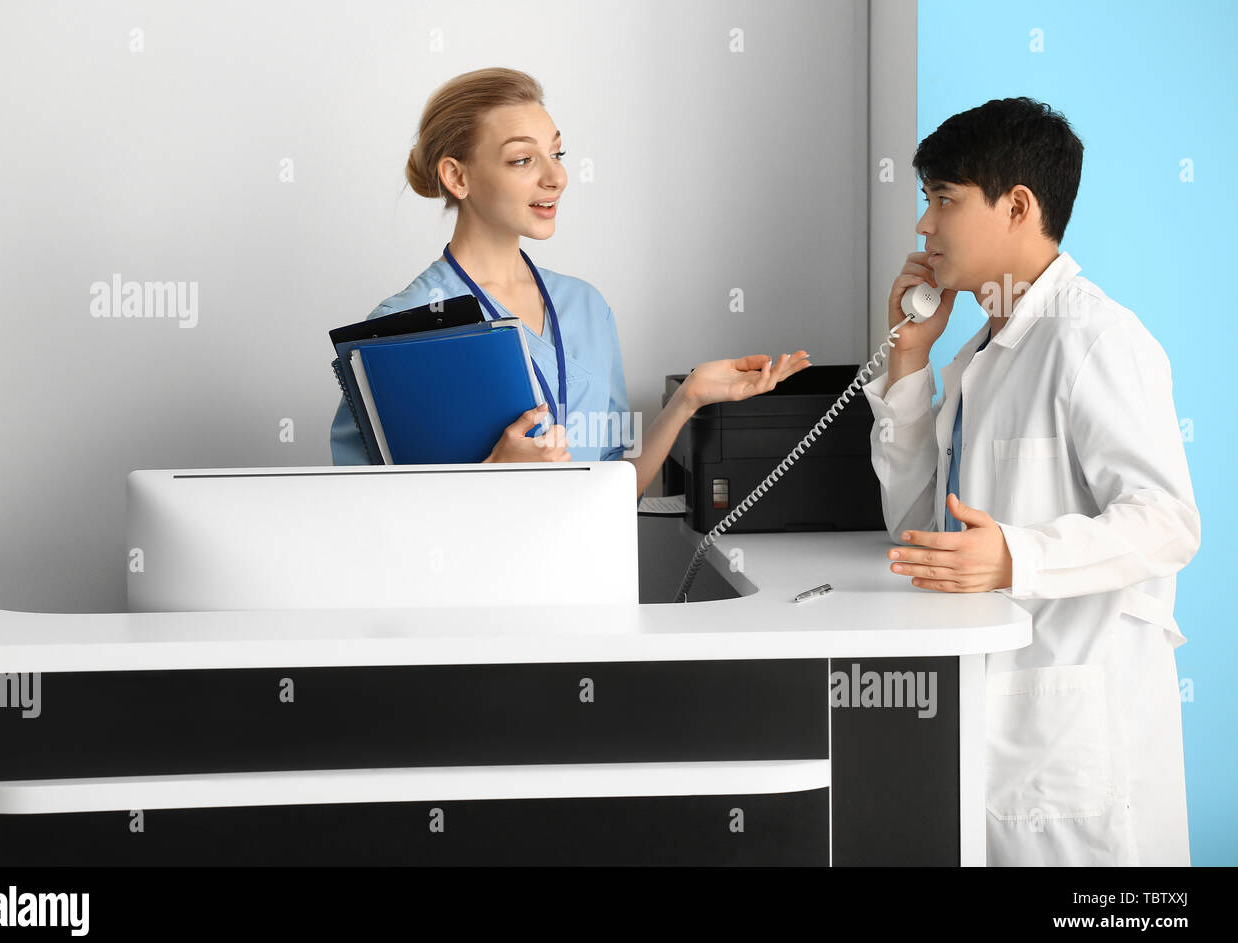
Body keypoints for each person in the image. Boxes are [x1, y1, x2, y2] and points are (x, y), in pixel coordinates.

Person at [863, 97, 1200, 865]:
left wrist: (1018, 556)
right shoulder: (985, 346)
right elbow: (918, 522)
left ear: (1018, 206)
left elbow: (1168, 521)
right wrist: (910, 360)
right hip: (1003, 735)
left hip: (1076, 749)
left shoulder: (1093, 337)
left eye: (944, 200)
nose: (924, 226)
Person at [329, 67, 810, 501]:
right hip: (469, 593)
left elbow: (617, 490)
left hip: (588, 581)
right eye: (522, 160)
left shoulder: (585, 305)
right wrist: (493, 470)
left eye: (556, 153)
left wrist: (689, 399)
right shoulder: (399, 327)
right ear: (457, 176)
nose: (556, 176)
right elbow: (371, 516)